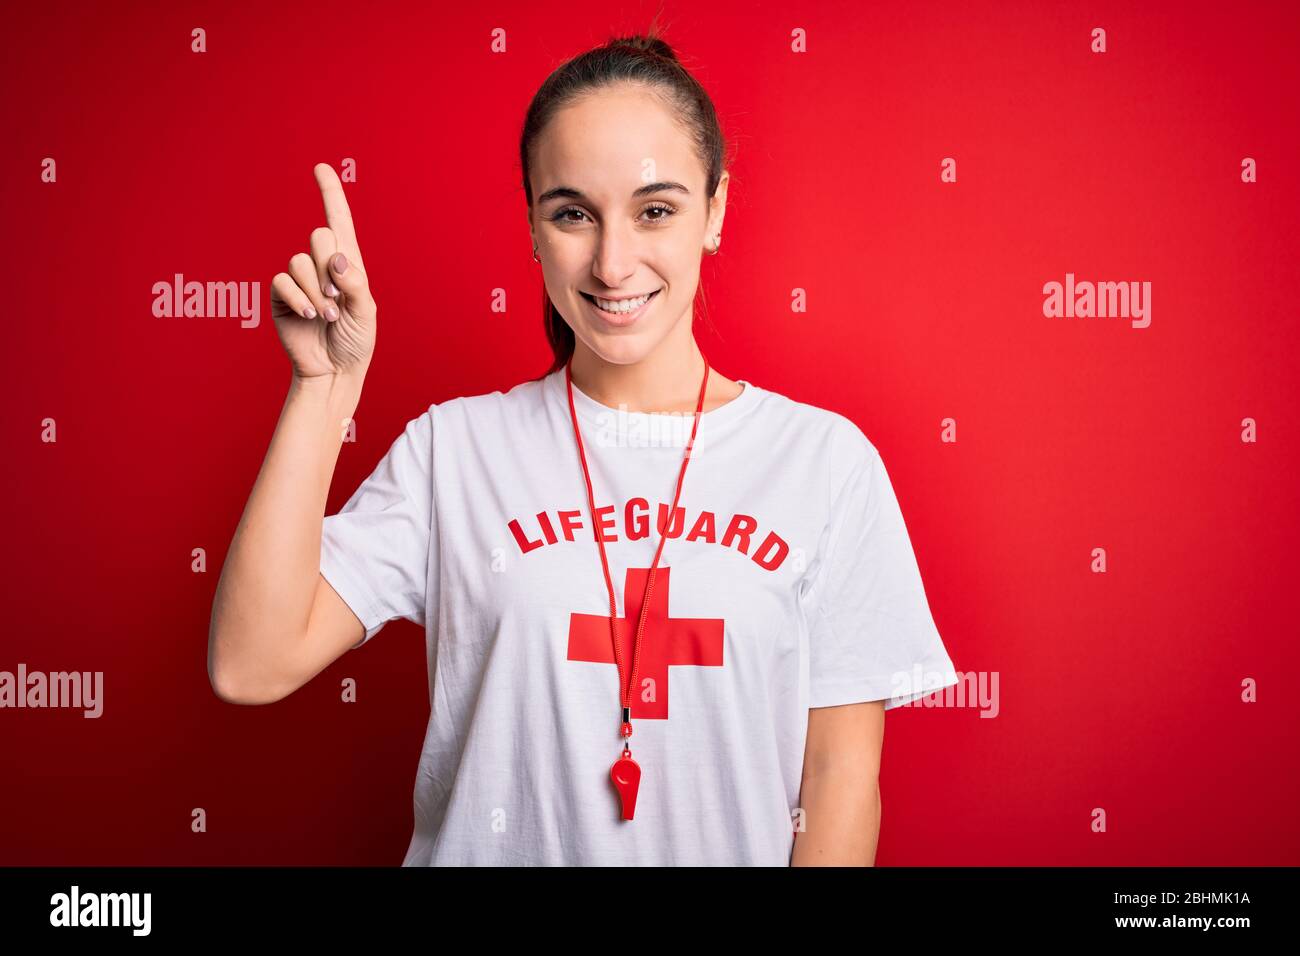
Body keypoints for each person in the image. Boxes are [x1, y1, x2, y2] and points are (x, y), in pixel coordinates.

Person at [208, 30, 959, 867]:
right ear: (531, 226)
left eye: (656, 210)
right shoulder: (455, 451)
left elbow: (838, 777)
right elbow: (250, 663)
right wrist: (323, 389)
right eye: (571, 213)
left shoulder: (824, 463)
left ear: (715, 213)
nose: (611, 261)